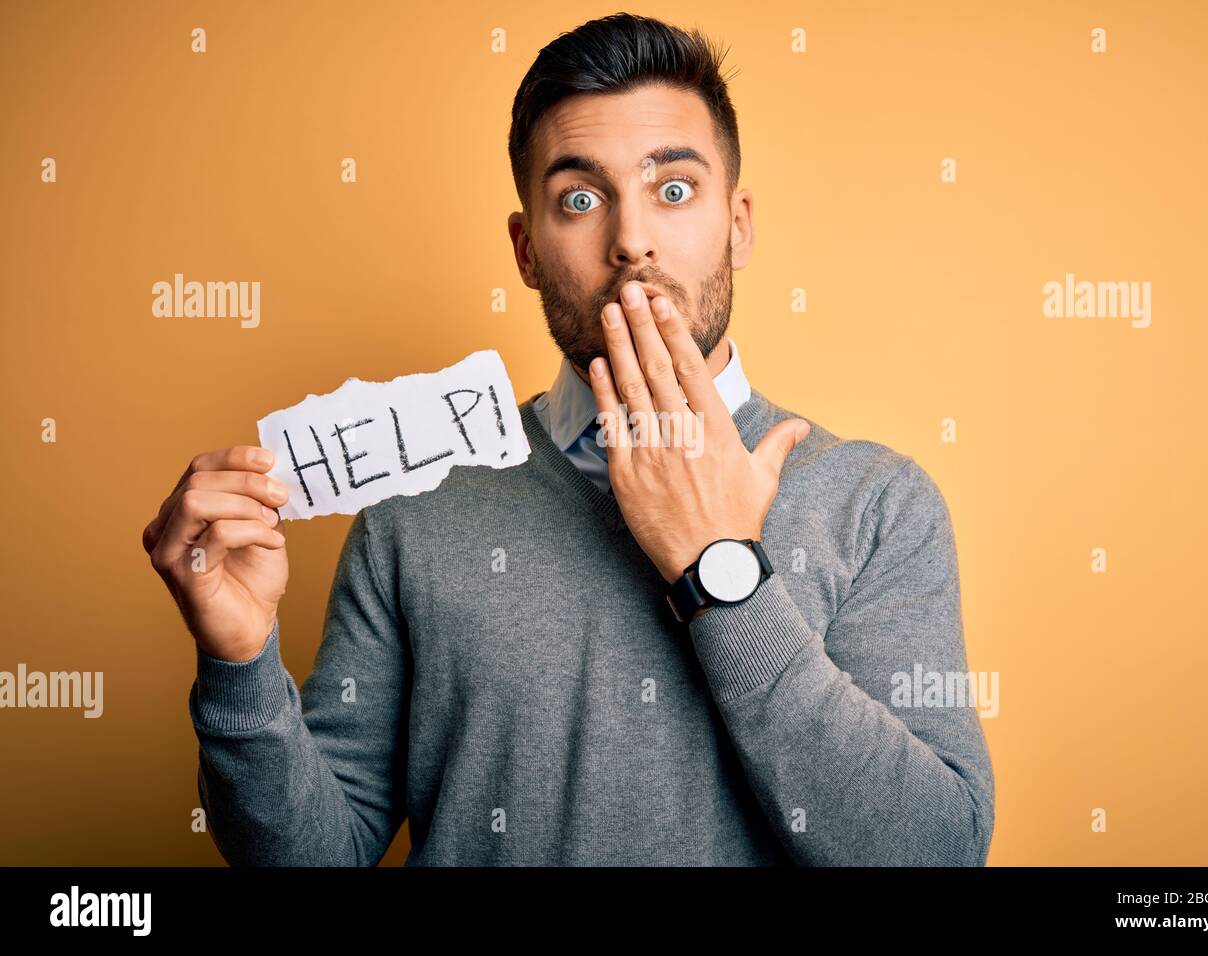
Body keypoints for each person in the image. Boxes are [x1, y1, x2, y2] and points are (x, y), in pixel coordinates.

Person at [142, 12, 994, 866]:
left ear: (737, 225)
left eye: (673, 189)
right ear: (525, 248)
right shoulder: (415, 510)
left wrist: (719, 571)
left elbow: (937, 852)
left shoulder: (876, 501)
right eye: (580, 199)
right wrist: (241, 662)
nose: (631, 240)